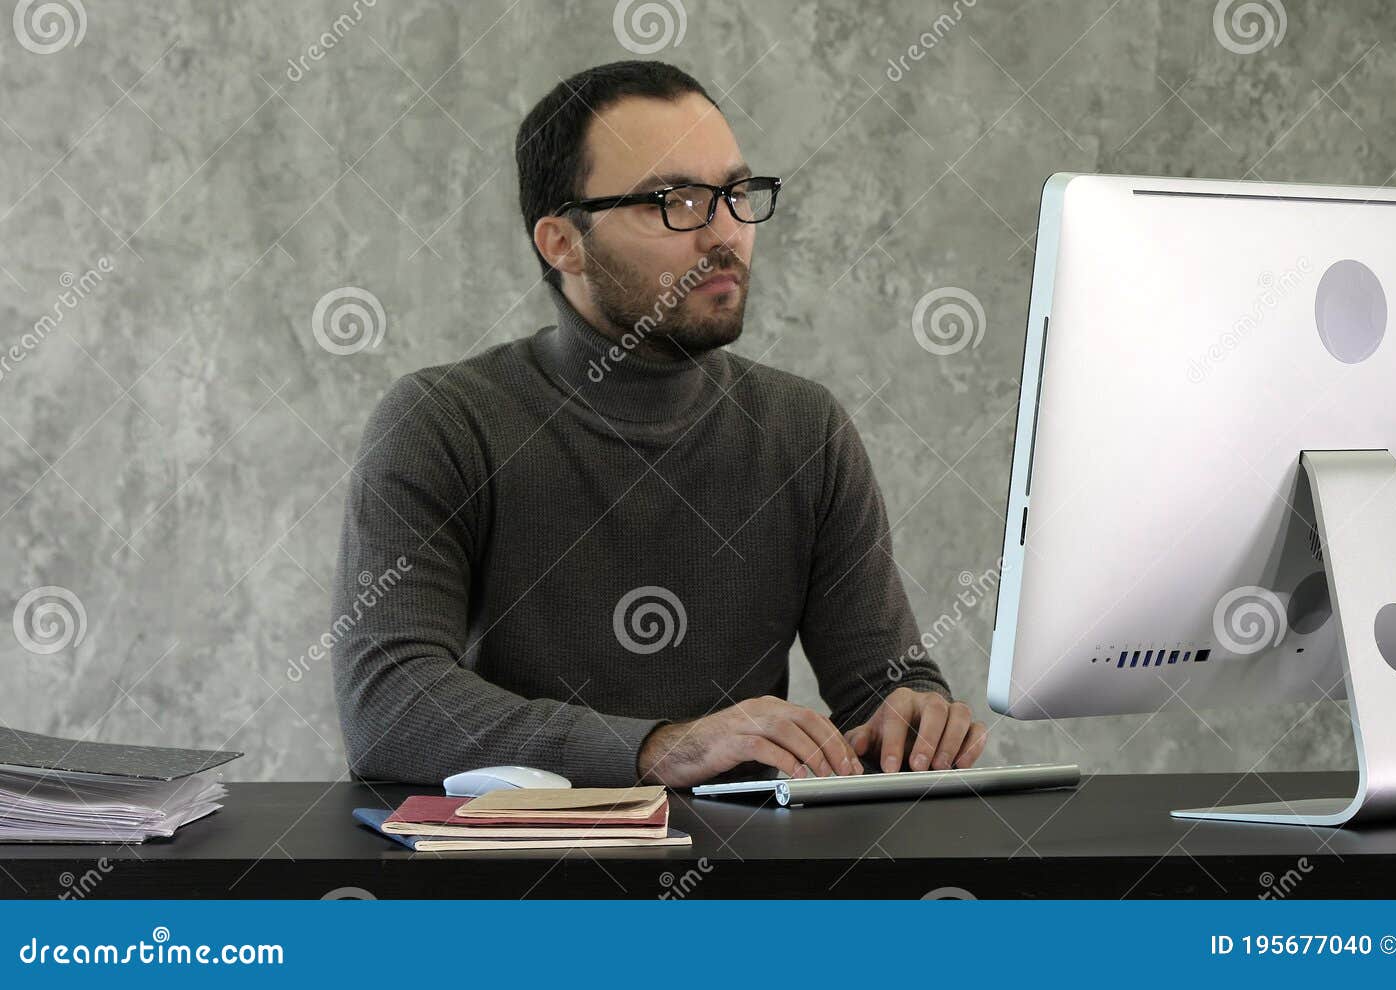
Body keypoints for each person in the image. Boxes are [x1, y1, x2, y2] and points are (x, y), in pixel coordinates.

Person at [330, 60, 987, 787]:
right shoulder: (444, 422)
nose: (725, 233)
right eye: (673, 201)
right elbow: (388, 706)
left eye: (737, 193)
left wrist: (916, 718)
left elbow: (879, 688)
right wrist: (659, 748)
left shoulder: (805, 430)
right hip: (519, 880)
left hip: (744, 881)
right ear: (562, 243)